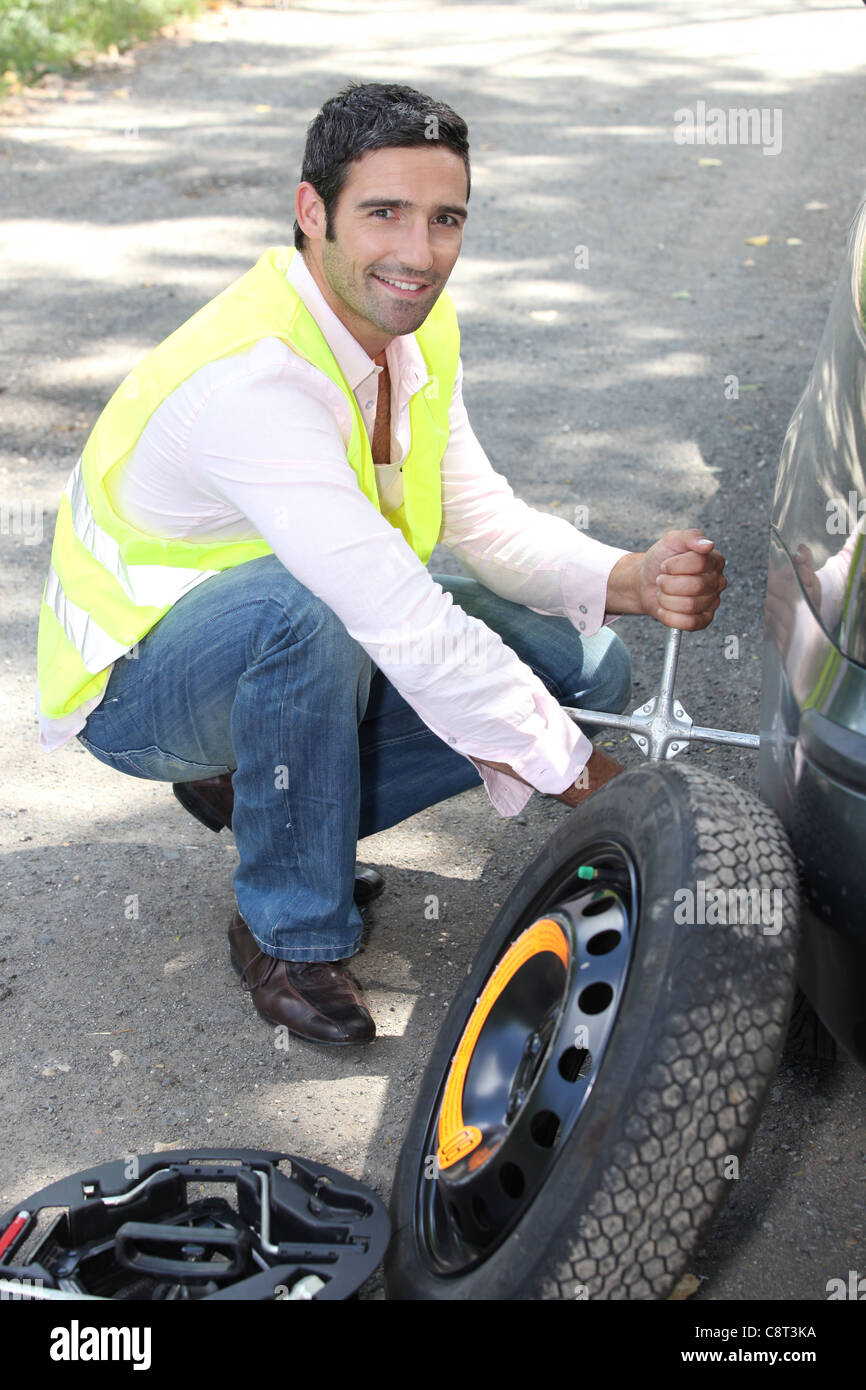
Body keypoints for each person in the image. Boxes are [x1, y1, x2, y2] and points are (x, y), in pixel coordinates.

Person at [36, 82, 726, 1047]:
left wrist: (629, 579)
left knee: (583, 664)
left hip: (295, 624)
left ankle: (268, 796)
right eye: (384, 213)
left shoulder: (412, 325)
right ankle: (291, 932)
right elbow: (402, 619)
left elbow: (481, 520)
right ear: (312, 212)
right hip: (143, 678)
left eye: (446, 219)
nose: (419, 252)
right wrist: (606, 789)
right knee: (313, 610)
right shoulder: (260, 378)